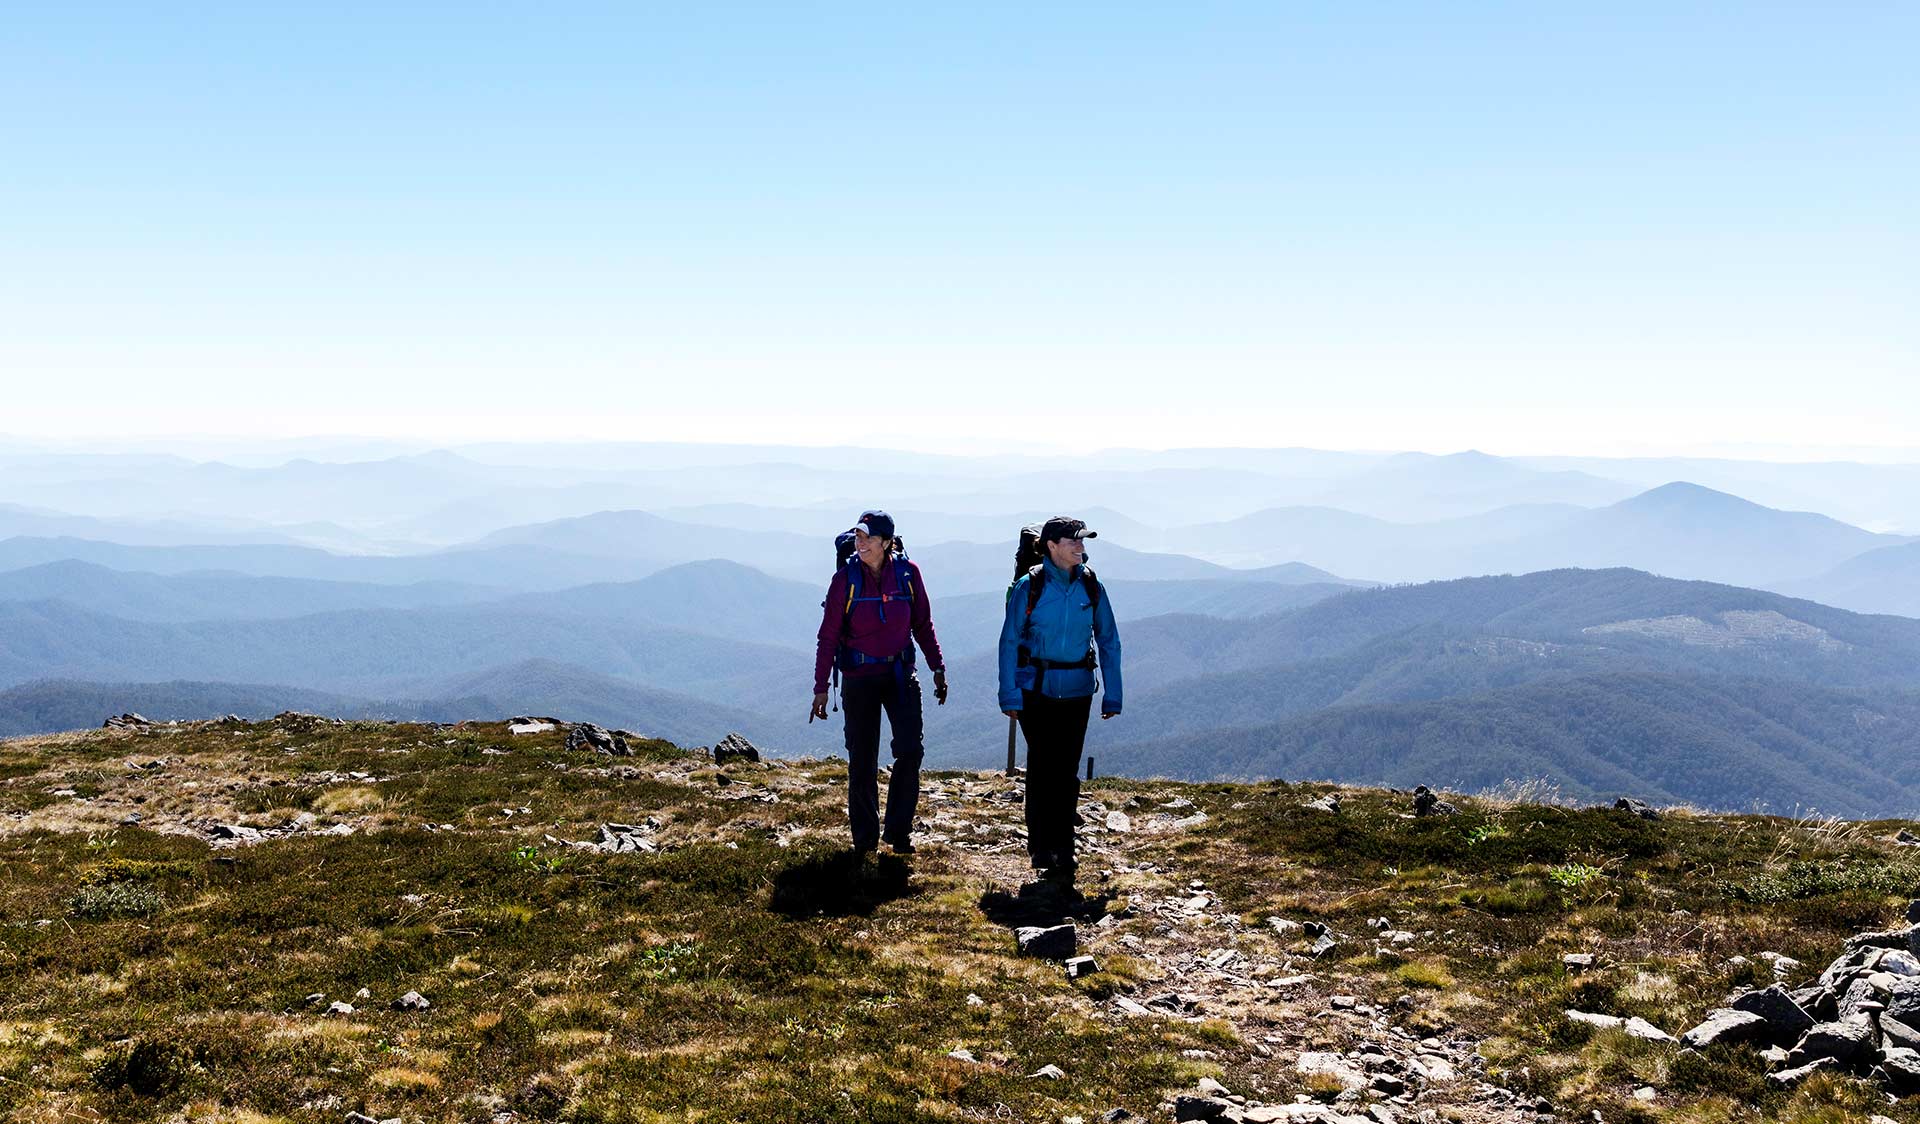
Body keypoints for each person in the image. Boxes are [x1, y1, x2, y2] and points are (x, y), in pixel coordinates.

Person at [811, 510, 948, 856]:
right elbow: (828, 636)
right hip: (859, 678)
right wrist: (821, 687)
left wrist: (937, 667)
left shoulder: (908, 575)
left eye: (868, 538)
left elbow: (923, 625)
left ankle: (898, 832)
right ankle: (865, 841)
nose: (861, 544)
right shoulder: (846, 580)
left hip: (900, 675)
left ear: (888, 542)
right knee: (862, 758)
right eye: (857, 537)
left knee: (910, 751)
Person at [998, 515, 1122, 884]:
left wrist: (1112, 693)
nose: (1081, 547)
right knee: (1043, 764)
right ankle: (1041, 846)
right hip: (1036, 688)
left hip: (1079, 689)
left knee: (1066, 768)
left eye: (1083, 542)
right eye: (1074, 542)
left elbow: (1109, 639)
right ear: (1052, 546)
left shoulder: (1091, 585)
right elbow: (1008, 642)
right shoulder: (1029, 587)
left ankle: (1063, 847)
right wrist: (1009, 692)